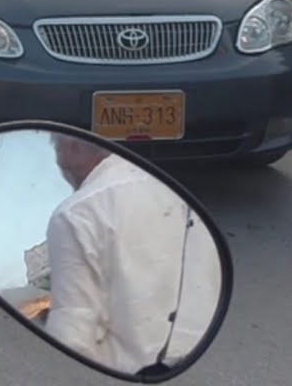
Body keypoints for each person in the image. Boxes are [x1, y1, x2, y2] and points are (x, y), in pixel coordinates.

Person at [44, 133, 221, 376]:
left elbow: (73, 334)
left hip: (126, 372)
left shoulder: (75, 215)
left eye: (58, 150)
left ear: (73, 147)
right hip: (195, 360)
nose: (59, 163)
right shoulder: (174, 192)